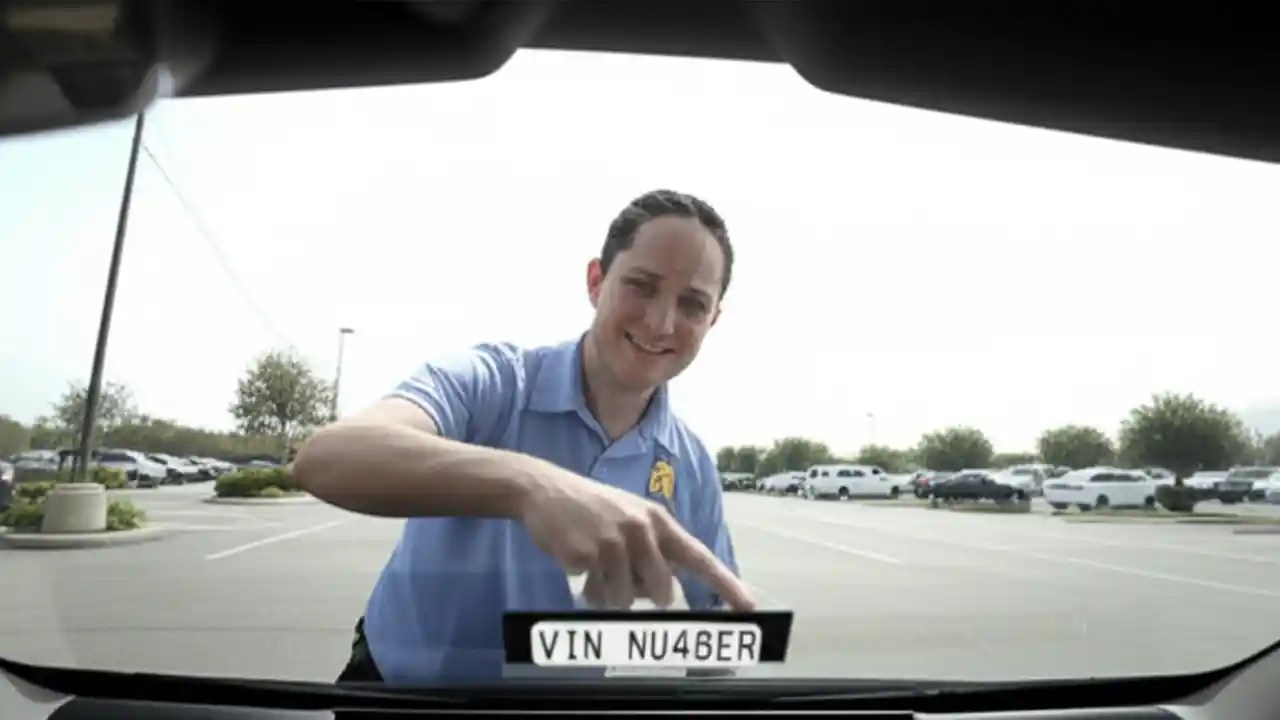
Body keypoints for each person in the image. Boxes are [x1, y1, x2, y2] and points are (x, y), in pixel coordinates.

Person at [293, 188, 755, 685]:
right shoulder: (494, 382)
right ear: (596, 282)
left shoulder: (691, 464)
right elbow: (324, 458)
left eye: (692, 304)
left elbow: (717, 635)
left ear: (713, 320)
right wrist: (532, 487)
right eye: (642, 286)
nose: (662, 322)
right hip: (403, 696)